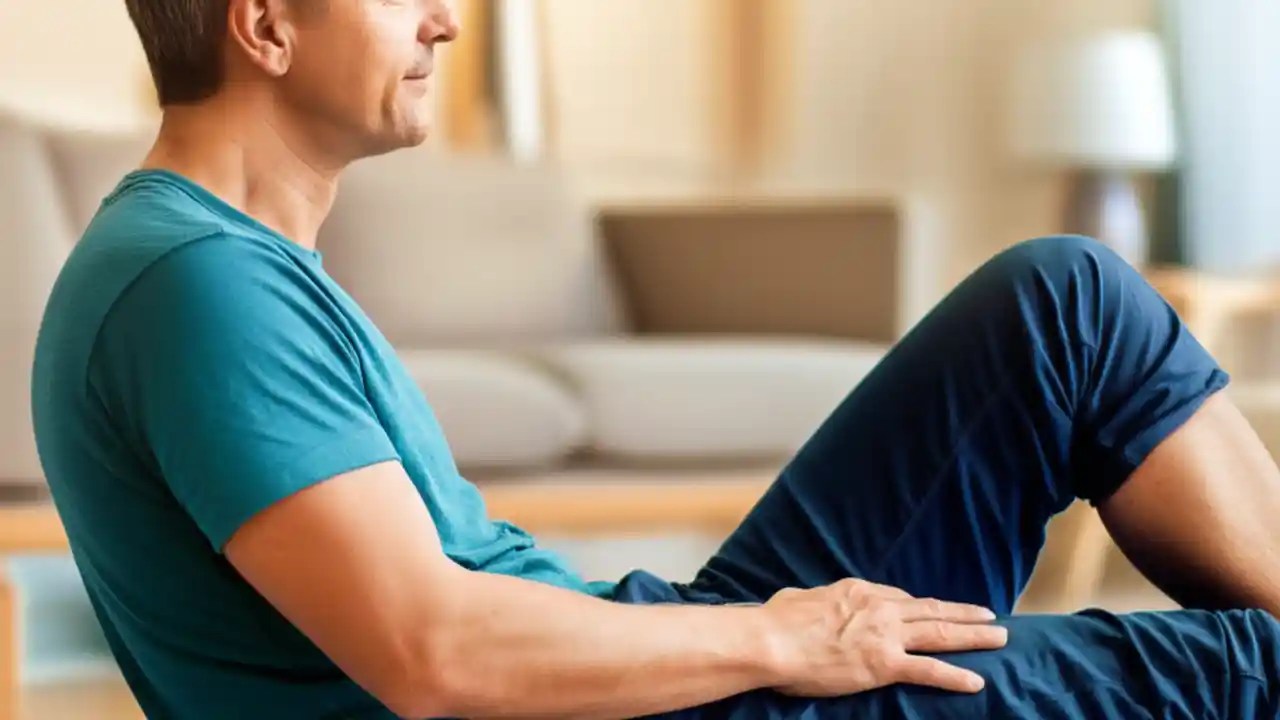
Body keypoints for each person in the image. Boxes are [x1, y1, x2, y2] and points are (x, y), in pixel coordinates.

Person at [29, 0, 1280, 718]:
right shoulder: (196, 286)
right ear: (264, 25)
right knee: (1230, 675)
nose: (442, 21)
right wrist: (781, 642)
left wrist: (755, 632)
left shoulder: (214, 259)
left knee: (1061, 302)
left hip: (636, 661)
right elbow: (432, 652)